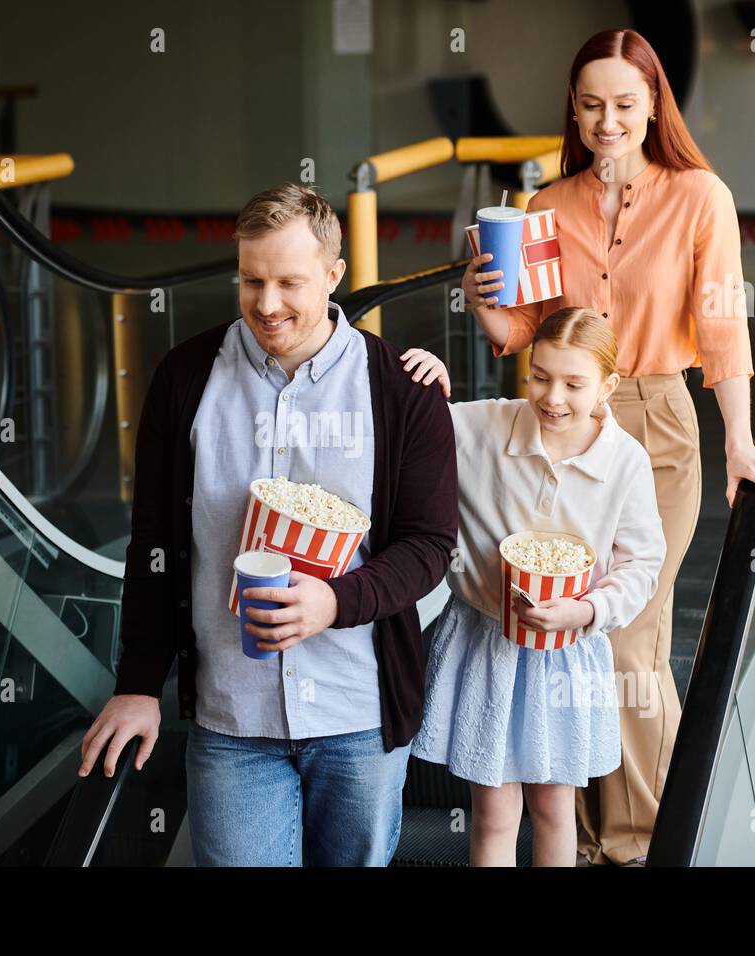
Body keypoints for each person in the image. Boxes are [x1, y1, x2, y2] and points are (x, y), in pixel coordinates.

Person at [460, 28, 755, 864]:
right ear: (573, 109)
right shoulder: (544, 206)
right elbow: (524, 335)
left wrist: (740, 444)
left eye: (625, 104)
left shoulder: (698, 197)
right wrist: (480, 300)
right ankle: (567, 834)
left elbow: (722, 330)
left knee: (631, 633)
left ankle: (644, 839)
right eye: (591, 104)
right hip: (558, 428)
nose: (607, 121)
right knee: (562, 636)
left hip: (657, 422)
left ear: (653, 107)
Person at [77, 183, 458, 866]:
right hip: (232, 717)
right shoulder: (185, 377)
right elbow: (156, 545)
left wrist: (336, 600)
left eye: (290, 282)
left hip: (359, 714)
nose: (267, 303)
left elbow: (429, 547)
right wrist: (138, 680)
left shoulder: (401, 390)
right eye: (252, 280)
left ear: (335, 276)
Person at [404, 308, 665, 866]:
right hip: (485, 644)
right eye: (540, 376)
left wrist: (587, 611)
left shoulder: (625, 462)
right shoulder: (483, 425)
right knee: (495, 815)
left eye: (574, 384)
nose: (553, 397)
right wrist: (425, 375)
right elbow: (412, 418)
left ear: (607, 386)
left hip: (569, 655)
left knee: (554, 809)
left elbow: (642, 563)